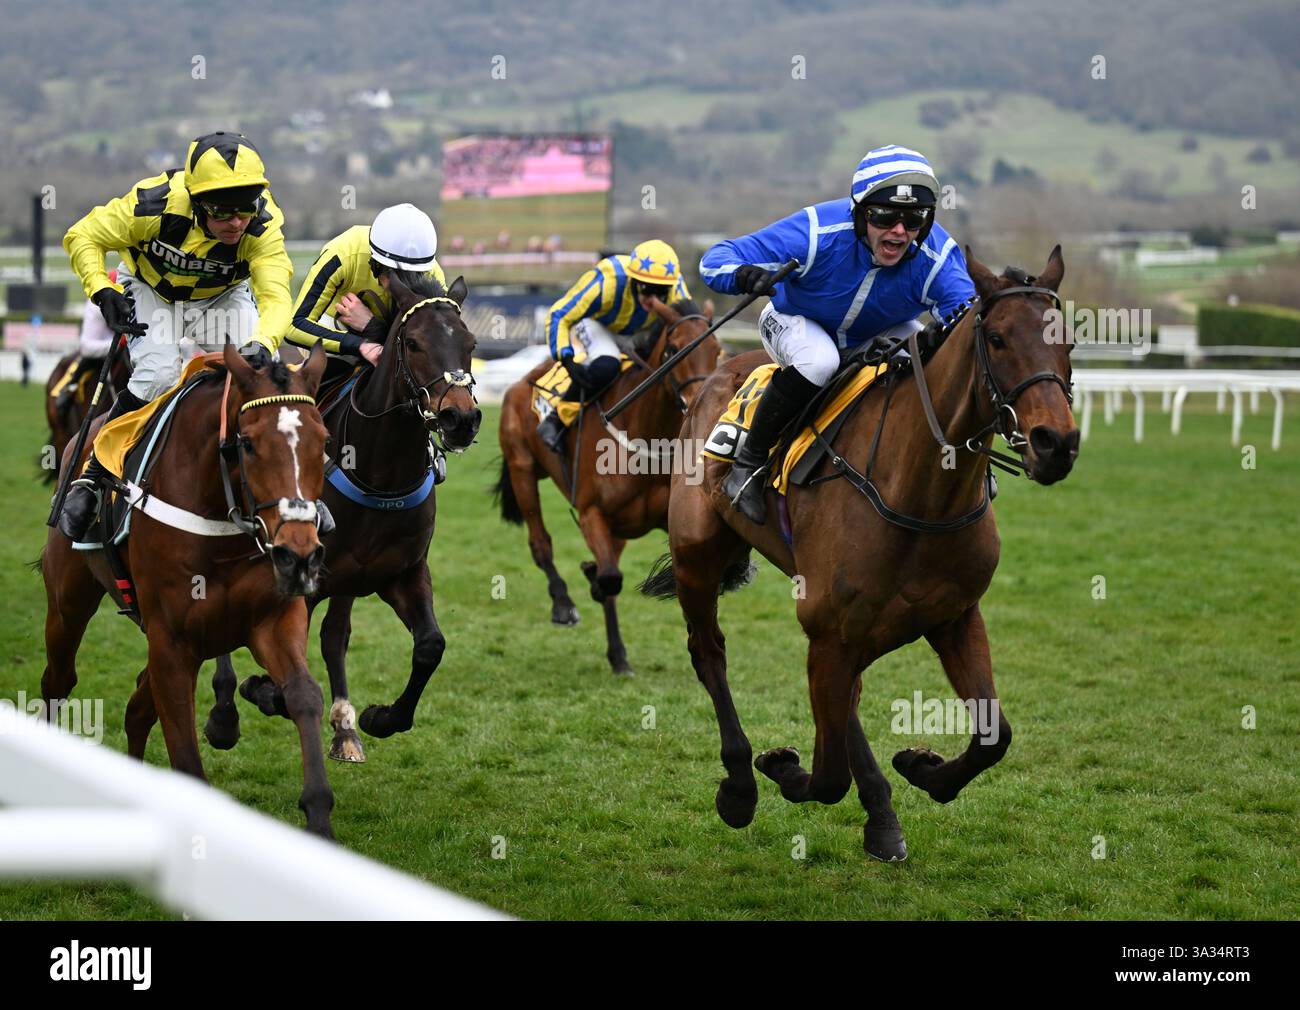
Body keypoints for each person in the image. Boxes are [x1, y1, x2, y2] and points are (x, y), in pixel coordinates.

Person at [699, 144, 976, 522]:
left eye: (913, 221)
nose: (899, 231)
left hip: (878, 332)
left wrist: (943, 339)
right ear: (859, 213)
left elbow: (970, 321)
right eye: (885, 216)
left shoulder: (938, 256)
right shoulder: (816, 230)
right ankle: (747, 465)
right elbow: (716, 259)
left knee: (930, 363)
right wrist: (743, 274)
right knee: (820, 360)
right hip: (793, 321)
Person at [57, 130, 293, 541]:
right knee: (158, 375)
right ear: (197, 200)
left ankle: (293, 488)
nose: (236, 222)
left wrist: (263, 345)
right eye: (222, 211)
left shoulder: (263, 228)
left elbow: (276, 296)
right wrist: (101, 289)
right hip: (152, 291)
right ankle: (93, 475)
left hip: (222, 297)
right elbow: (83, 235)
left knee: (260, 375)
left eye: (245, 209)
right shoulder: (152, 204)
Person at [536, 239, 691, 451]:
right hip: (599, 324)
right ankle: (558, 417)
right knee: (607, 367)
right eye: (646, 289)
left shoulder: (676, 288)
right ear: (633, 280)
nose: (652, 299)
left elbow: (690, 328)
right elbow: (558, 315)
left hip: (641, 331)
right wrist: (567, 359)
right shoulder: (608, 280)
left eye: (661, 292)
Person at [281, 204, 446, 367]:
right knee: (330, 355)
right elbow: (295, 327)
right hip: (337, 327)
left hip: (388, 335)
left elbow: (439, 343)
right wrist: (359, 345)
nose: (399, 287)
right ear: (375, 264)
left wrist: (372, 326)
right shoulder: (343, 252)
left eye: (411, 277)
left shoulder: (432, 274)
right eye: (395, 275)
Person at [55, 268, 122, 415]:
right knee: (89, 360)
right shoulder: (96, 305)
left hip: (124, 346)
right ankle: (70, 388)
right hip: (102, 350)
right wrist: (118, 345)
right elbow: (87, 348)